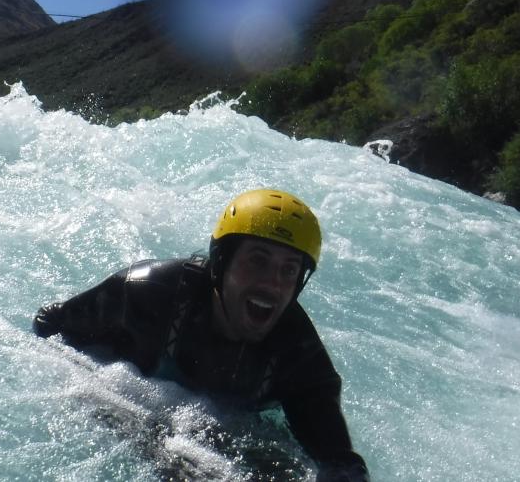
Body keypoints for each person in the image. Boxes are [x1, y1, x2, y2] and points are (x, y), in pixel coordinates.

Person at [33, 189, 369, 482]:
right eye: (258, 261)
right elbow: (51, 322)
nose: (272, 284)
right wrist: (92, 392)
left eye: (289, 270)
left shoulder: (299, 354)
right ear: (220, 262)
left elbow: (338, 460)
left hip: (226, 424)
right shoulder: (149, 292)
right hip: (129, 399)